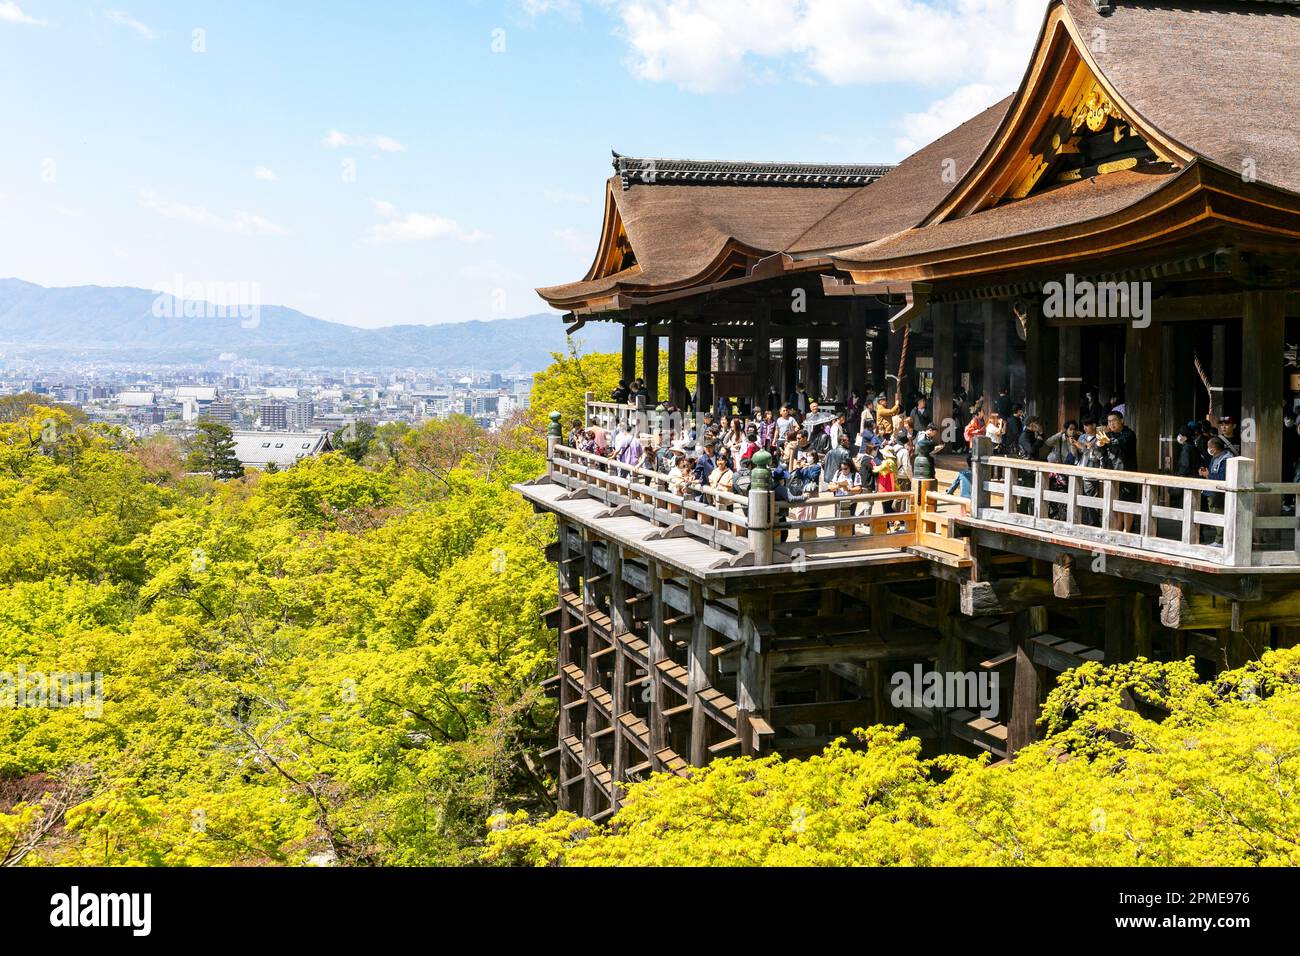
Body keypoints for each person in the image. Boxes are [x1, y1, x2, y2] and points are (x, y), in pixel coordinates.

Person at [1096, 411, 1137, 532]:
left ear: (1121, 420)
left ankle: (1127, 530)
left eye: (1114, 420)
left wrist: (1107, 440)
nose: (1111, 424)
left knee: (1128, 502)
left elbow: (1120, 443)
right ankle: (1118, 529)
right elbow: (1100, 452)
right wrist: (1100, 443)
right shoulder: (1110, 435)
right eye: (1109, 421)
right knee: (1116, 502)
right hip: (1113, 473)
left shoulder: (1129, 434)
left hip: (1127, 472)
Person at [1199, 436, 1232, 545]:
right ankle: (1219, 539)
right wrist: (1206, 473)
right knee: (1215, 515)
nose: (1208, 449)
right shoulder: (1215, 457)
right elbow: (1212, 473)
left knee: (1219, 516)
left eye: (1209, 447)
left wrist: (1208, 475)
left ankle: (1221, 540)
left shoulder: (1226, 459)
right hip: (1212, 491)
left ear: (1214, 448)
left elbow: (1223, 477)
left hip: (1218, 493)